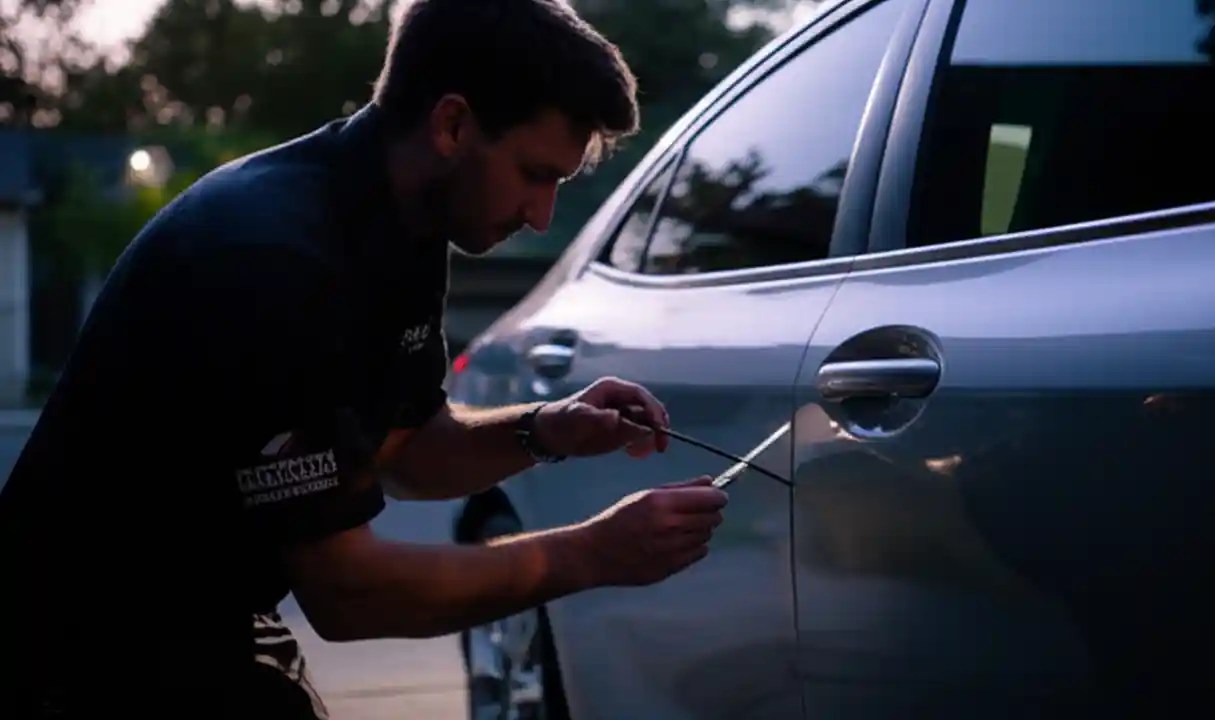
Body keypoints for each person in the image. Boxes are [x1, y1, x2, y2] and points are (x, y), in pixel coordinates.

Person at [0, 1, 728, 717]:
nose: (541, 215)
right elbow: (348, 593)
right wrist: (591, 556)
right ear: (451, 124)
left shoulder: (403, 222)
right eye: (535, 173)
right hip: (76, 653)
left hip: (194, 627)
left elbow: (407, 452)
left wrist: (548, 429)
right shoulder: (271, 256)